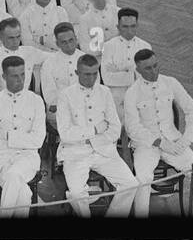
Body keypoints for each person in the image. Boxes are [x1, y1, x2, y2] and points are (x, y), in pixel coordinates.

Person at [123, 48, 193, 217]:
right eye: (148, 68)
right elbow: (132, 127)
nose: (154, 71)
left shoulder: (171, 82)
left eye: (156, 65)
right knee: (143, 180)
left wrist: (186, 139)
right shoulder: (132, 93)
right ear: (138, 70)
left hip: (174, 141)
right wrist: (159, 142)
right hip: (146, 146)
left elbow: (192, 110)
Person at [56, 54, 139, 217]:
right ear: (77, 72)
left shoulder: (104, 92)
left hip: (104, 151)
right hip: (75, 154)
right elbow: (65, 134)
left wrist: (92, 139)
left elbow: (115, 129)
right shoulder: (65, 95)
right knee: (76, 194)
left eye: (95, 73)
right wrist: (95, 129)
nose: (92, 78)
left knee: (131, 184)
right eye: (87, 74)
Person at [0, 55, 46, 218]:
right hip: (1, 161)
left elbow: (38, 140)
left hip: (27, 161)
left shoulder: (36, 101)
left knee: (14, 175)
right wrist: (24, 140)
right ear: (3, 77)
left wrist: (8, 136)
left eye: (23, 74)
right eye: (15, 76)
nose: (21, 80)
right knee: (23, 194)